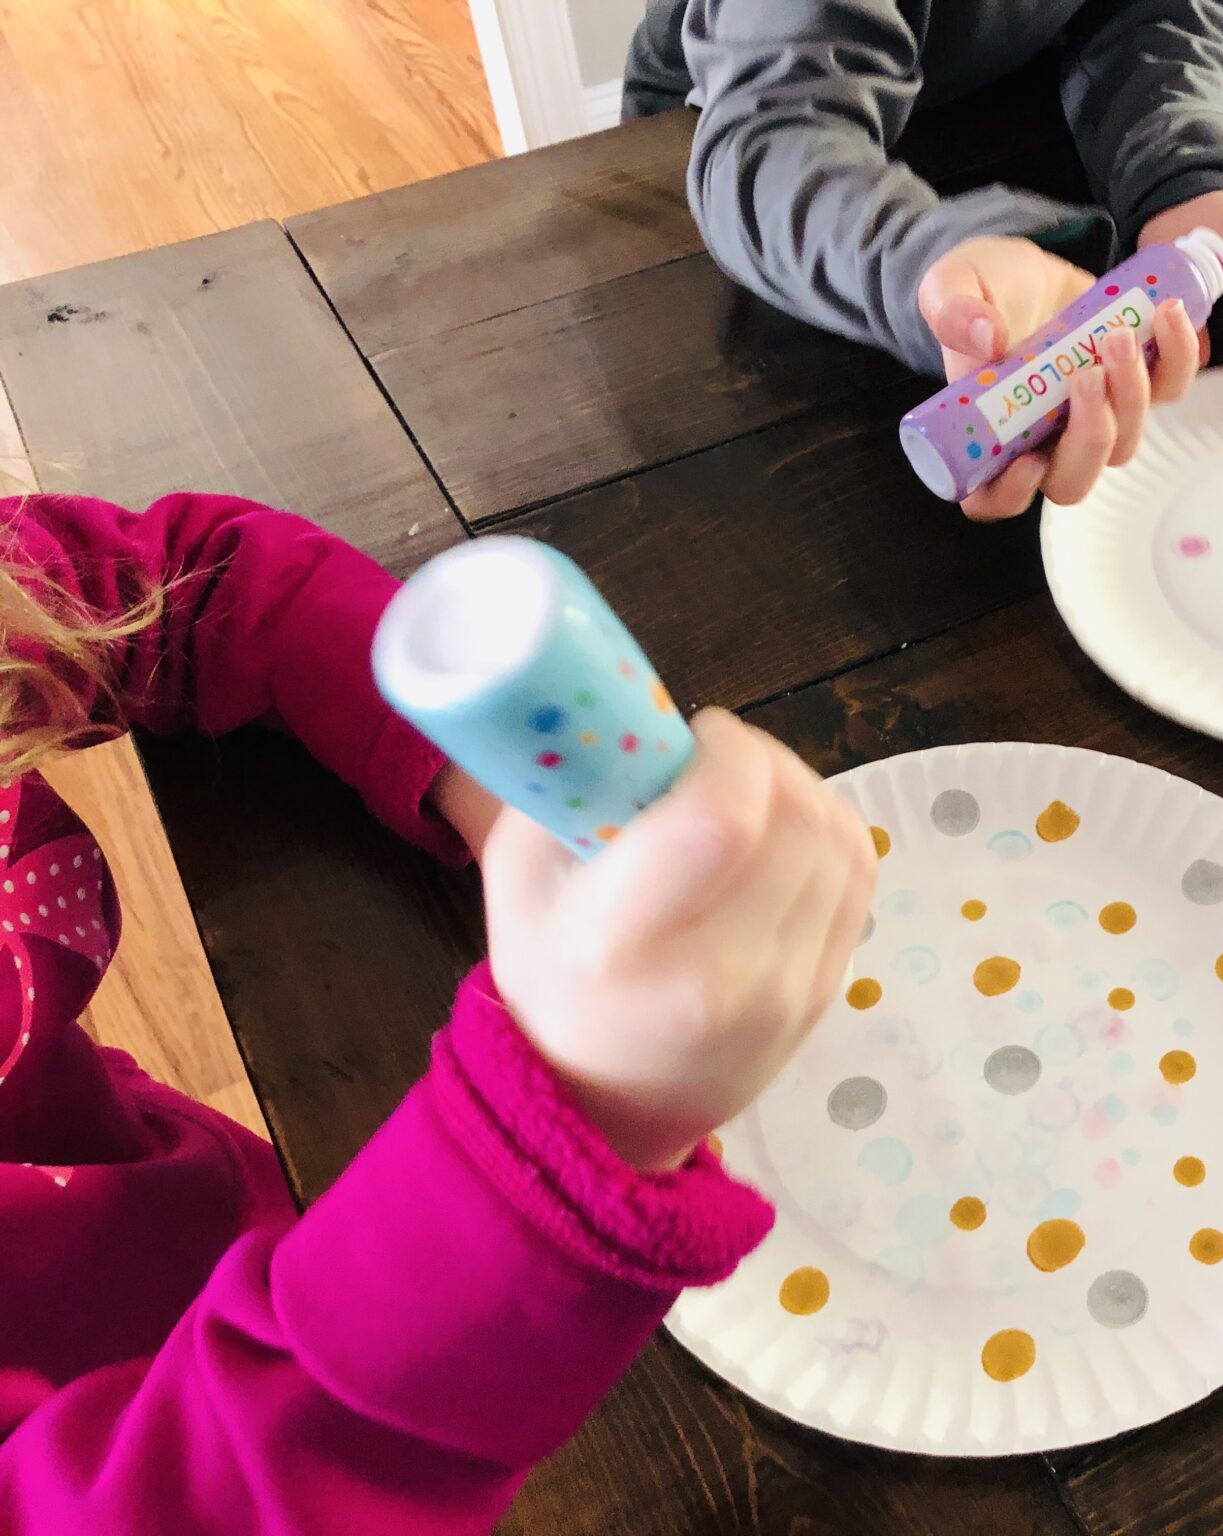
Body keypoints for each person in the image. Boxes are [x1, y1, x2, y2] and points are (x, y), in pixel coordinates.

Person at [0, 491, 876, 1531]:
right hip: (347, 1415)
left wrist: (478, 774)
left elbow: (192, 584)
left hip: (233, 1217)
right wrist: (565, 1136)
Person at [625, 0, 1223, 521]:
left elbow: (1161, 16)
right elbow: (775, 142)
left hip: (999, 121)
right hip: (754, 219)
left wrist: (1192, 175)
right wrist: (930, 257)